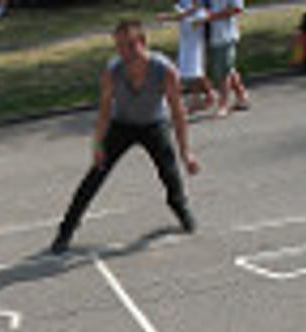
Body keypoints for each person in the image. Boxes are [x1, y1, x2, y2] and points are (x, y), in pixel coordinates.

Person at [50, 20, 200, 255]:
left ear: (143, 43)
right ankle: (66, 230)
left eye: (130, 46)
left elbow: (178, 112)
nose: (125, 52)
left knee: (169, 172)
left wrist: (186, 152)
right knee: (94, 176)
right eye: (119, 46)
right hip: (122, 125)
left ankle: (179, 207)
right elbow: (104, 112)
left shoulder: (164, 70)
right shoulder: (113, 71)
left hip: (154, 124)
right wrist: (97, 146)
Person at [160, 0, 215, 113]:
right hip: (186, 32)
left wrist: (170, 17)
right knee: (191, 69)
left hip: (194, 29)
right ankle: (197, 99)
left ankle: (209, 94)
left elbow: (197, 8)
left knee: (195, 68)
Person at [206, 0, 250, 117]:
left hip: (225, 36)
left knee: (223, 71)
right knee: (229, 68)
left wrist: (213, 16)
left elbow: (237, 8)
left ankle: (223, 105)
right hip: (213, 36)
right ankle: (242, 96)